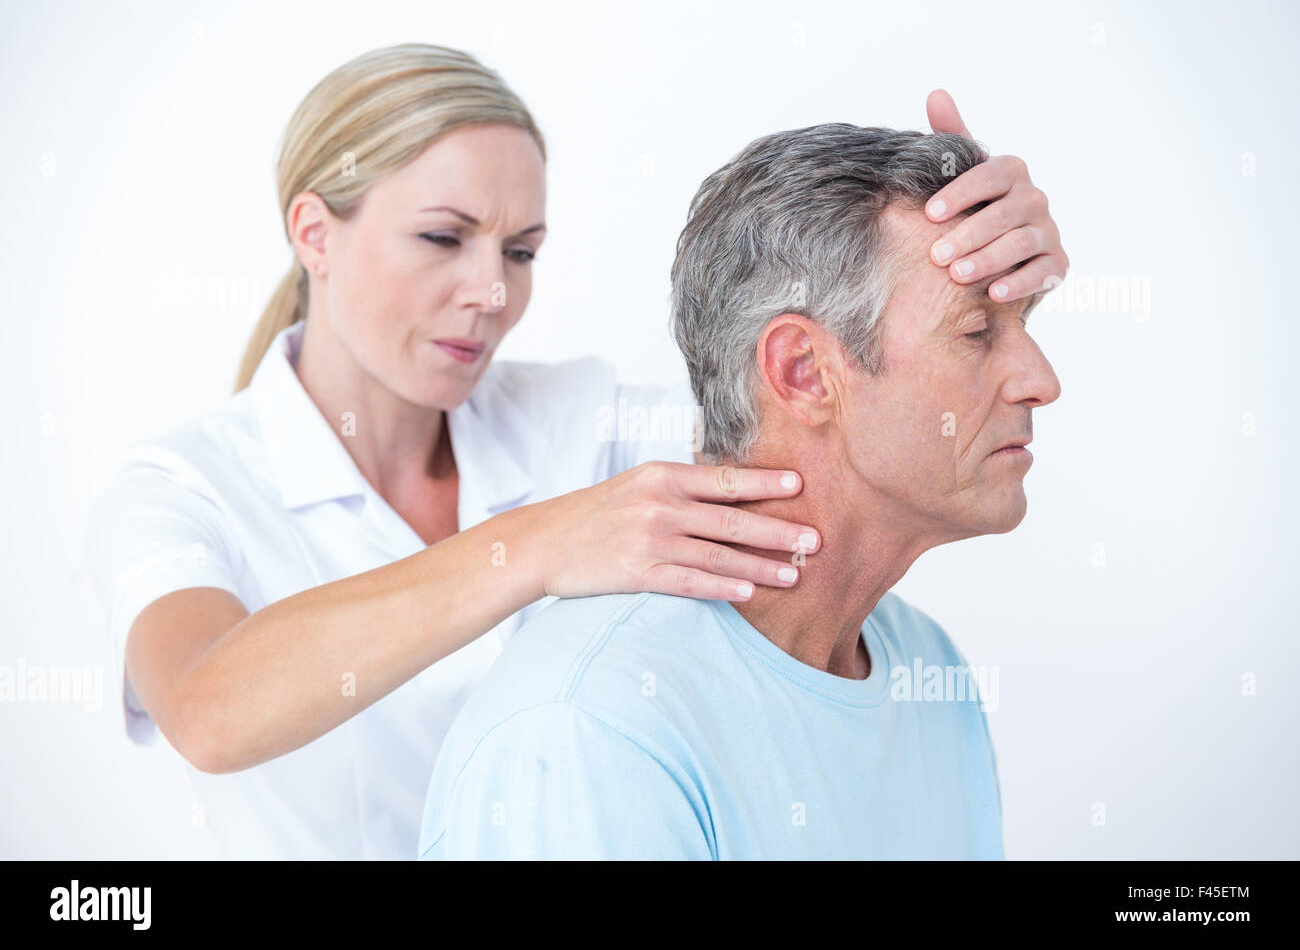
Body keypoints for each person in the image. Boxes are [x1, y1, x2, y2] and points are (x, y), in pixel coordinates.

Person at [85, 43, 1068, 859]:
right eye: (442, 237)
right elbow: (208, 709)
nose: (490, 293)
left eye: (520, 252)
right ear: (314, 232)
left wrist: (960, 261)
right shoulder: (181, 489)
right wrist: (539, 543)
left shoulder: (573, 413)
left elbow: (807, 395)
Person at [418, 123, 1062, 860]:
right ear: (803, 372)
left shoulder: (927, 668)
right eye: (978, 330)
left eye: (1024, 323)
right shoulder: (591, 726)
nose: (1041, 381)